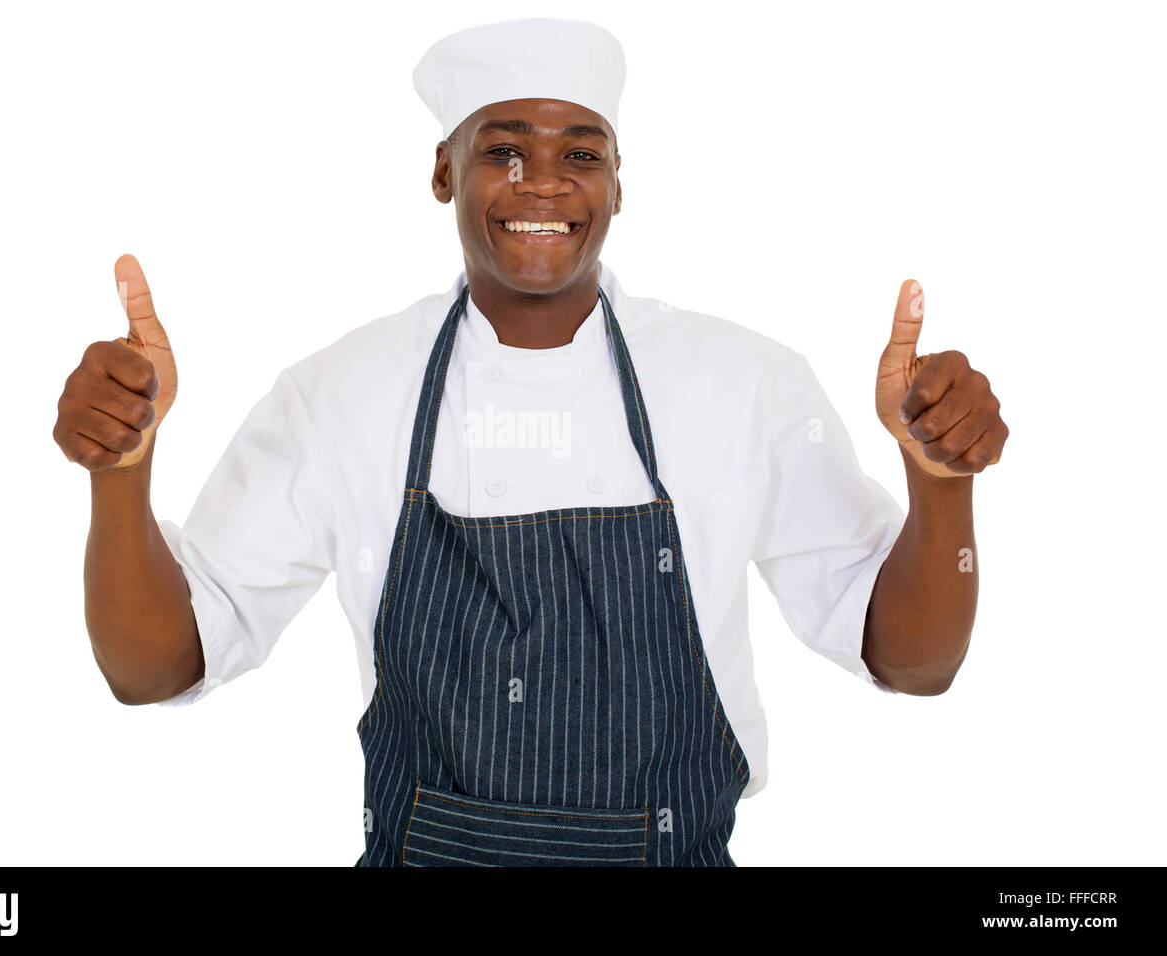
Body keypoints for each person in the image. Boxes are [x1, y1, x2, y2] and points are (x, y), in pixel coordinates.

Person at [52, 18, 1008, 866]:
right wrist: (121, 475)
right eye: (502, 149)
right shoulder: (340, 394)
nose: (541, 181)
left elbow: (913, 664)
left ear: (620, 184)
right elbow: (154, 669)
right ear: (443, 173)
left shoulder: (743, 382)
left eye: (581, 154)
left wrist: (940, 485)